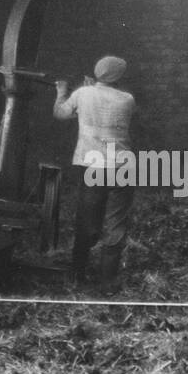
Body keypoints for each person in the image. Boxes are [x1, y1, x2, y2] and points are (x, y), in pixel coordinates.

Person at [53, 55, 136, 289]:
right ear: (119, 77)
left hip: (94, 167)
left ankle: (77, 276)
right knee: (116, 224)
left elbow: (61, 114)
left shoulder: (83, 94)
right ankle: (108, 281)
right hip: (122, 167)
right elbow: (107, 109)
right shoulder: (128, 99)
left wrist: (62, 91)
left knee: (87, 221)